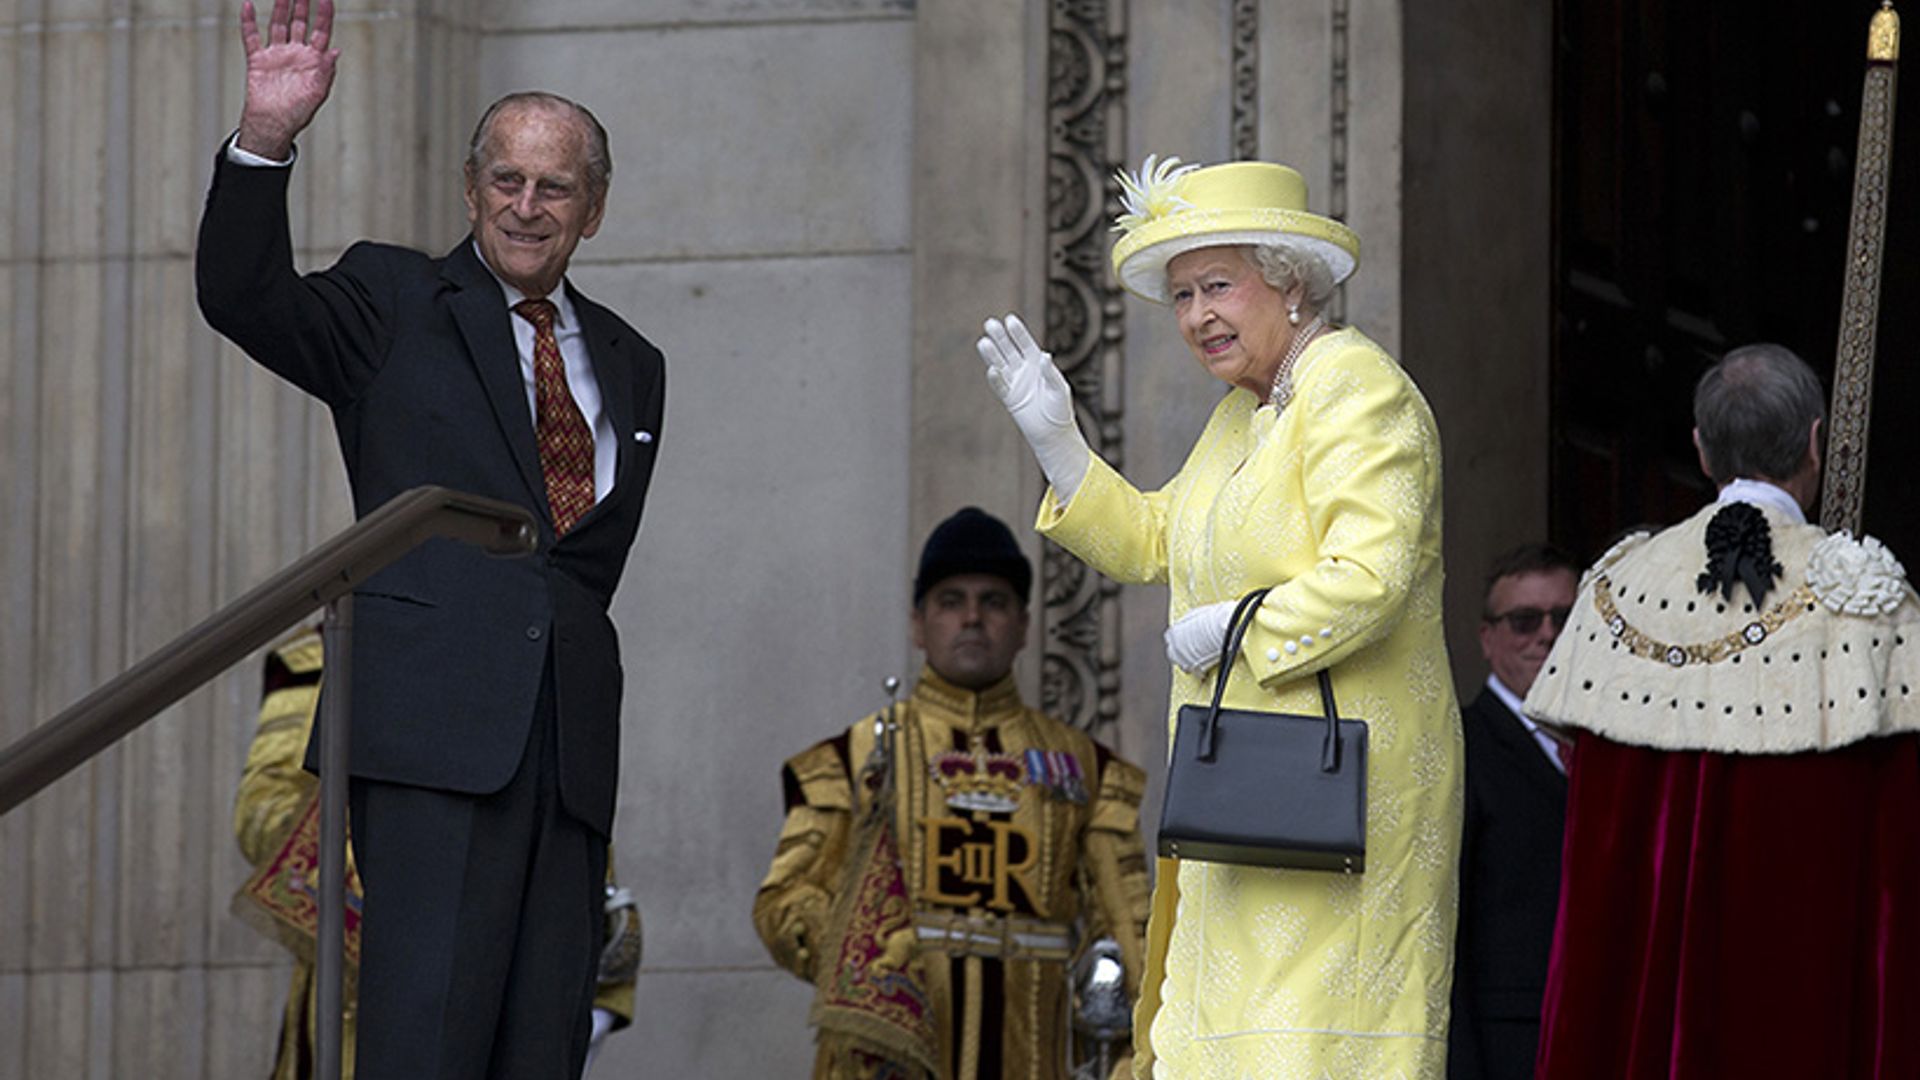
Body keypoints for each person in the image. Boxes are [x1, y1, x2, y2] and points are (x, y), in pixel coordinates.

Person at [195, 2, 665, 1075]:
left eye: (555, 187)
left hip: (568, 756)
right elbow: (243, 297)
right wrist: (264, 139)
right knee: (428, 1043)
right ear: (470, 190)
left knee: (540, 1049)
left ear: (593, 209)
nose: (527, 206)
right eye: (507, 180)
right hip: (433, 740)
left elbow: (577, 566)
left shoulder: (635, 361)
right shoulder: (395, 299)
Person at [978, 156, 1460, 1076]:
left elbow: (1375, 572)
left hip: (1339, 799)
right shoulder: (1241, 416)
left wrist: (1236, 628)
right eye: (1182, 295)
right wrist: (1060, 446)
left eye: (1218, 286)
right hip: (1242, 800)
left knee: (1306, 1050)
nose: (1198, 315)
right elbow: (1157, 539)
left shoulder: (1356, 386)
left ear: (1289, 281)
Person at [1525, 343, 1920, 1078]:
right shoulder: (1873, 600)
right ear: (1816, 442)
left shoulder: (1614, 587)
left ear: (1701, 449)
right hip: (1797, 1014)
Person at [752, 507, 1153, 1080]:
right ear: (918, 624)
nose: (971, 617)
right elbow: (784, 901)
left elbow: (1130, 933)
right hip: (886, 1064)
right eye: (950, 601)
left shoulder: (1086, 769)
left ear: (1024, 626)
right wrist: (871, 966)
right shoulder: (852, 758)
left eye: (993, 601)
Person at [231, 628, 643, 1080]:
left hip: (506, 930)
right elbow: (261, 811)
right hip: (366, 954)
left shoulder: (518, 643)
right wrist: (406, 860)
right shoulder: (314, 660)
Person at [1448, 544, 1579, 1080]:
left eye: (1564, 618)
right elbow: (1445, 924)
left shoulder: (1615, 746)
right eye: (1525, 621)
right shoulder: (1458, 746)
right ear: (1487, 638)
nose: (1546, 635)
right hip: (1508, 1046)